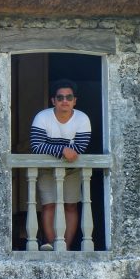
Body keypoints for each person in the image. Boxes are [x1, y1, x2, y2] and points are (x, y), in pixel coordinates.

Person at [30, 79, 92, 250]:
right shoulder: (42, 117)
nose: (64, 101)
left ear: (74, 101)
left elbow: (79, 148)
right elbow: (36, 146)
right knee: (49, 205)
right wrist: (64, 149)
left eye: (69, 97)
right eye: (60, 97)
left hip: (72, 171)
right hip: (47, 170)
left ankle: (66, 247)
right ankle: (51, 246)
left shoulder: (82, 119)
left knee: (71, 206)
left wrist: (57, 149)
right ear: (53, 100)